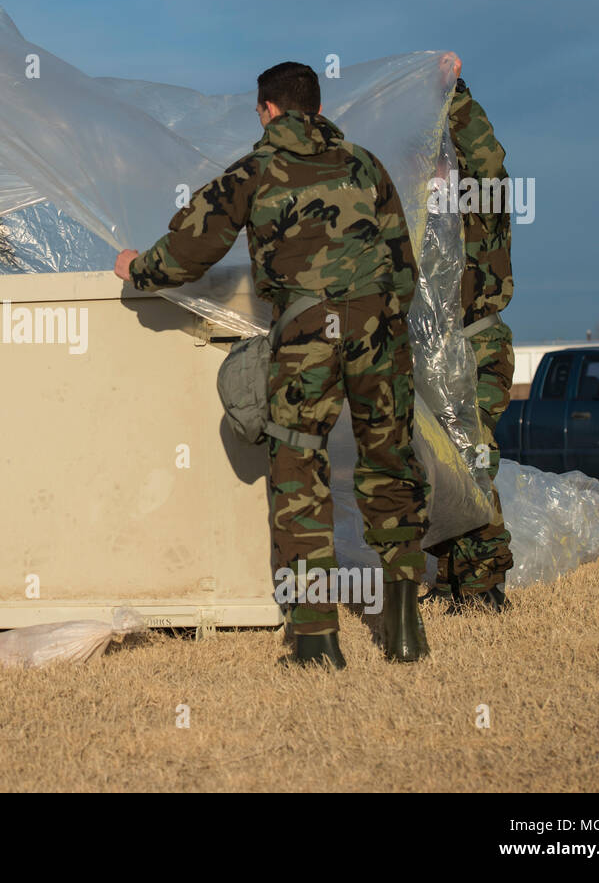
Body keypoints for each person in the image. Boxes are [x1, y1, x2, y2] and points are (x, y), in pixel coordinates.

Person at [114, 62, 430, 667]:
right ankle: (404, 626)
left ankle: (314, 638)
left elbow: (189, 249)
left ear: (267, 110)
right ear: (316, 105)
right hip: (382, 330)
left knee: (298, 470)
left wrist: (138, 268)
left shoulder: (255, 172)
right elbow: (402, 264)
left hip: (308, 334)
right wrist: (381, 321)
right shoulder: (365, 165)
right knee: (390, 463)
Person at [426, 55, 515, 612]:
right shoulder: (419, 223)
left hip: (476, 345)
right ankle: (454, 575)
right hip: (434, 351)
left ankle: (484, 586)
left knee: (472, 458)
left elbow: (486, 156)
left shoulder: (482, 207)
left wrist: (452, 93)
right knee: (441, 462)